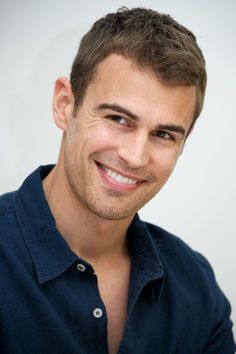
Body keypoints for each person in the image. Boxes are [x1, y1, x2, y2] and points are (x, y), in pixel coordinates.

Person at [0, 7, 235, 354]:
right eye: (118, 118)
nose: (136, 156)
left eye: (164, 134)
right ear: (65, 104)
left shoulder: (196, 286)